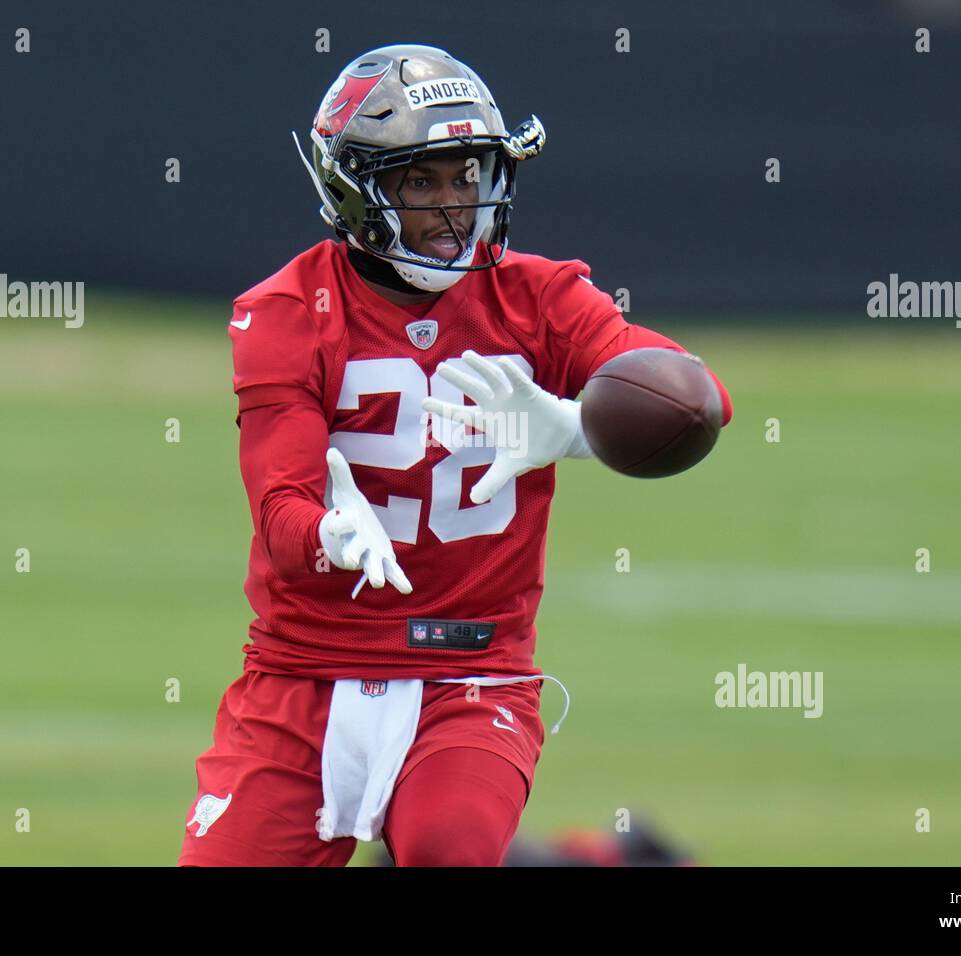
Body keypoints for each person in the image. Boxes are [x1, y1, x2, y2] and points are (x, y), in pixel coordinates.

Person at [178, 43, 732, 867]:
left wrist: (573, 427)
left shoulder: (539, 297)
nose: (451, 207)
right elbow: (281, 505)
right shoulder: (290, 311)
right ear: (355, 190)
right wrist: (329, 533)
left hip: (471, 674)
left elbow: (698, 397)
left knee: (447, 850)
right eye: (420, 182)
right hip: (305, 675)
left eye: (467, 176)